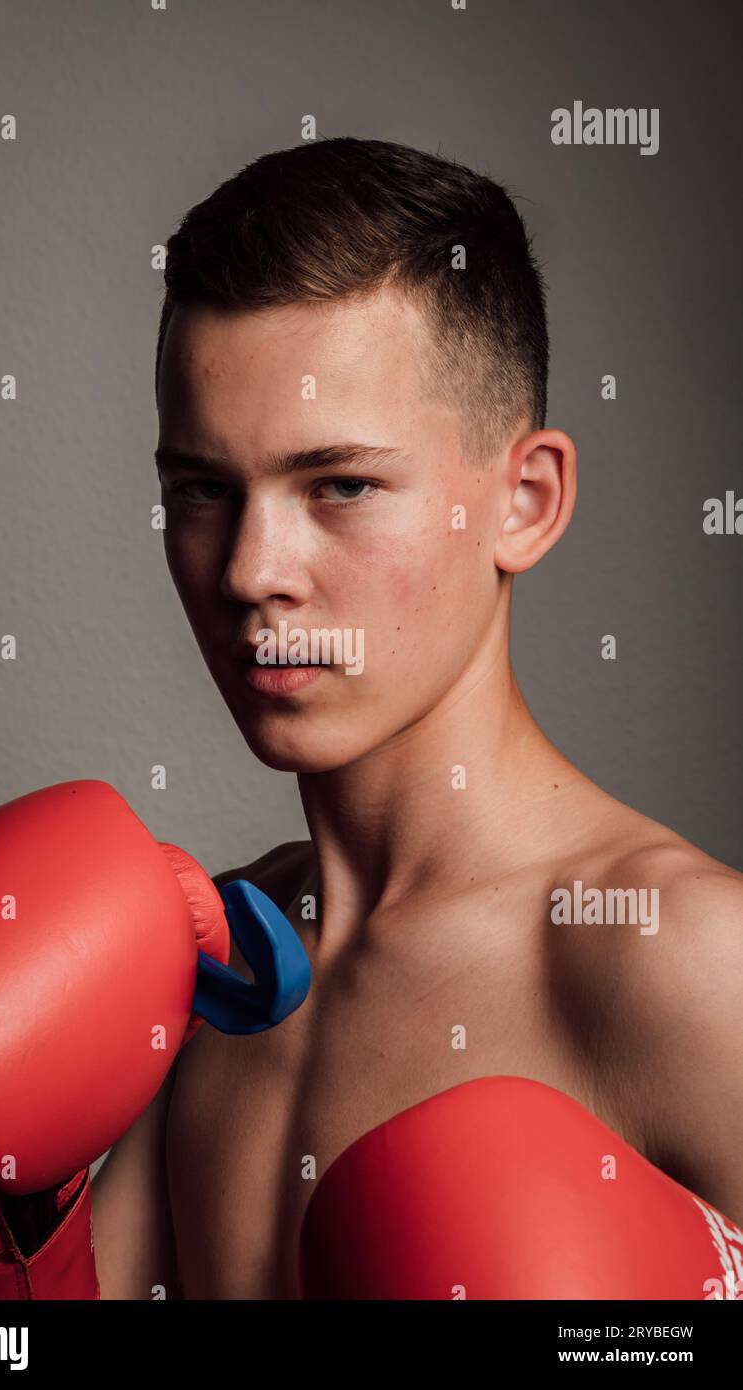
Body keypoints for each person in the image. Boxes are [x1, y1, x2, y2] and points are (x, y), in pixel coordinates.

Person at [91, 136, 743, 1299]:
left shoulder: (680, 958)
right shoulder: (206, 970)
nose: (250, 571)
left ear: (524, 502)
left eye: (337, 484)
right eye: (202, 490)